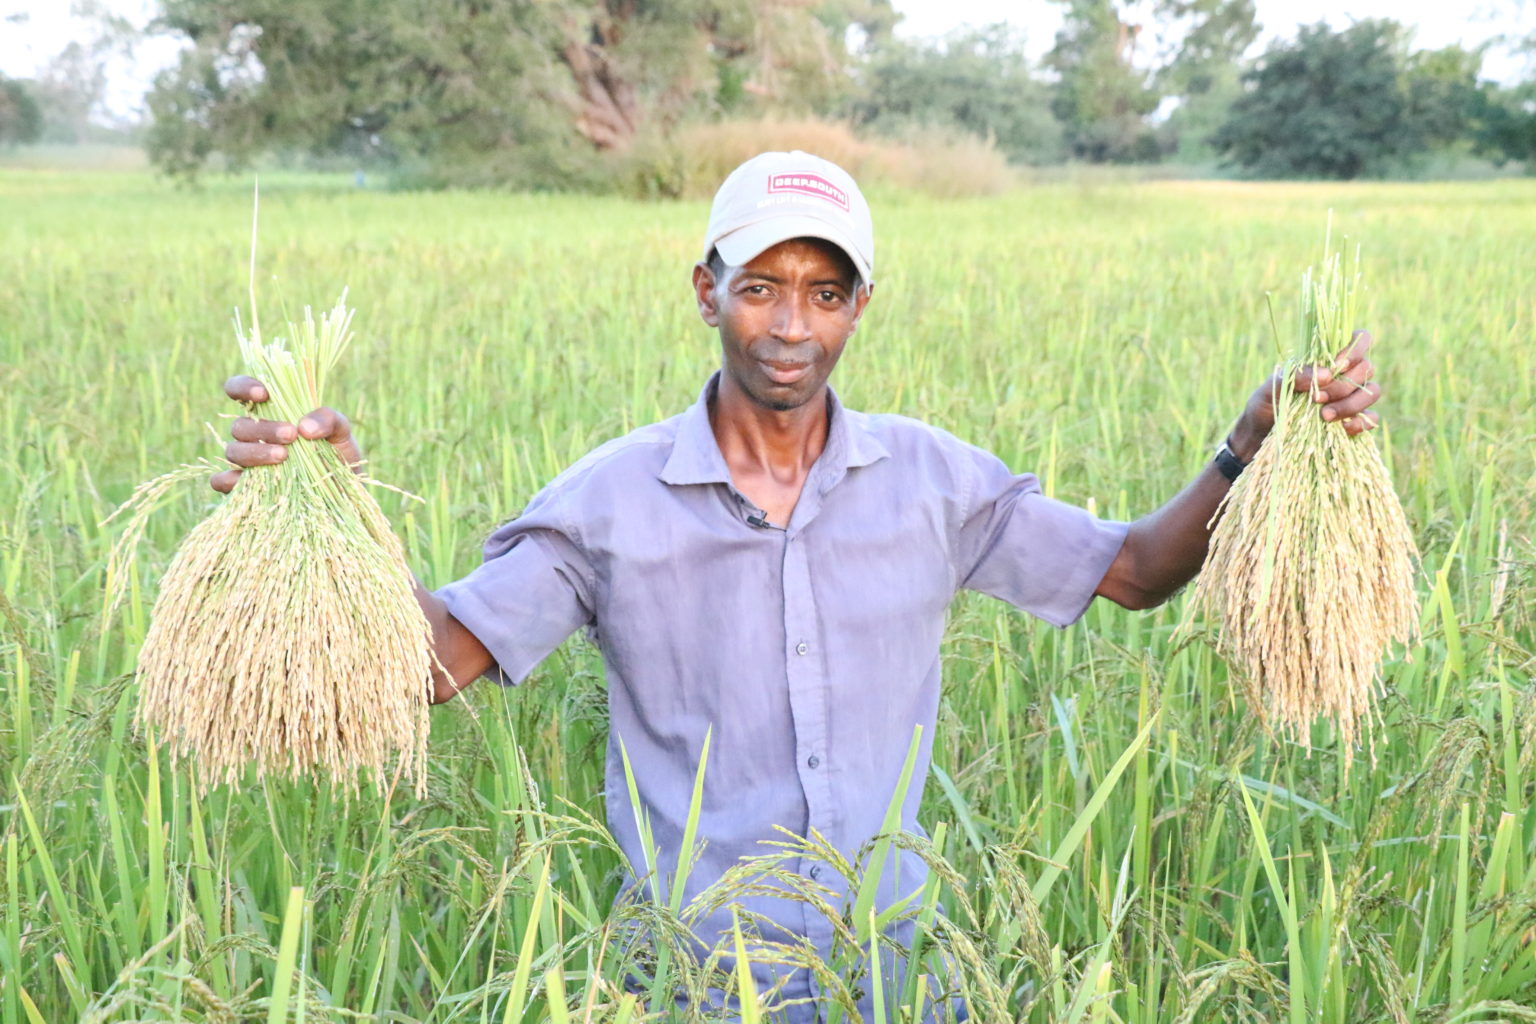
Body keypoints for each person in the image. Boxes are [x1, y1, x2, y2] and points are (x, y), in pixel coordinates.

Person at [214, 151, 1382, 1020]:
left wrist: (1246, 446)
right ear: (706, 289)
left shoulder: (930, 483)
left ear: (860, 306)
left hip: (903, 975)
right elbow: (430, 663)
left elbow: (1132, 571)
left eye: (826, 293)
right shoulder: (610, 503)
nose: (792, 325)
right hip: (696, 984)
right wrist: (329, 516)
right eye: (762, 286)